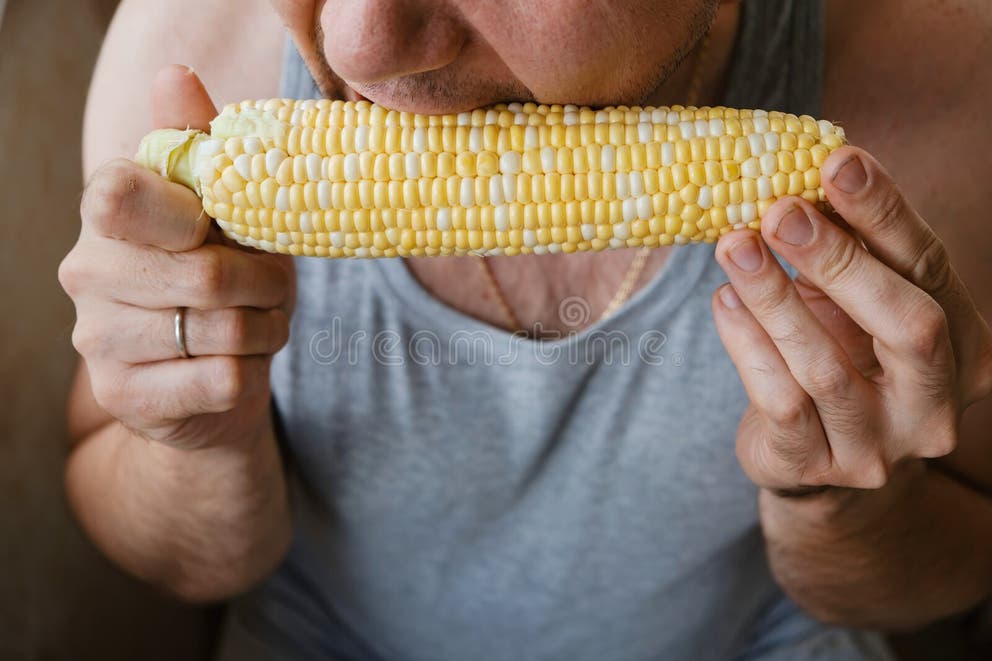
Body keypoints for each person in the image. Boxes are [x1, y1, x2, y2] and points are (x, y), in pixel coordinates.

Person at [58, 0, 992, 659]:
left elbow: (959, 554)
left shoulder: (943, 103)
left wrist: (846, 506)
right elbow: (165, 543)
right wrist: (196, 442)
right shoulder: (186, 50)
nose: (356, 44)